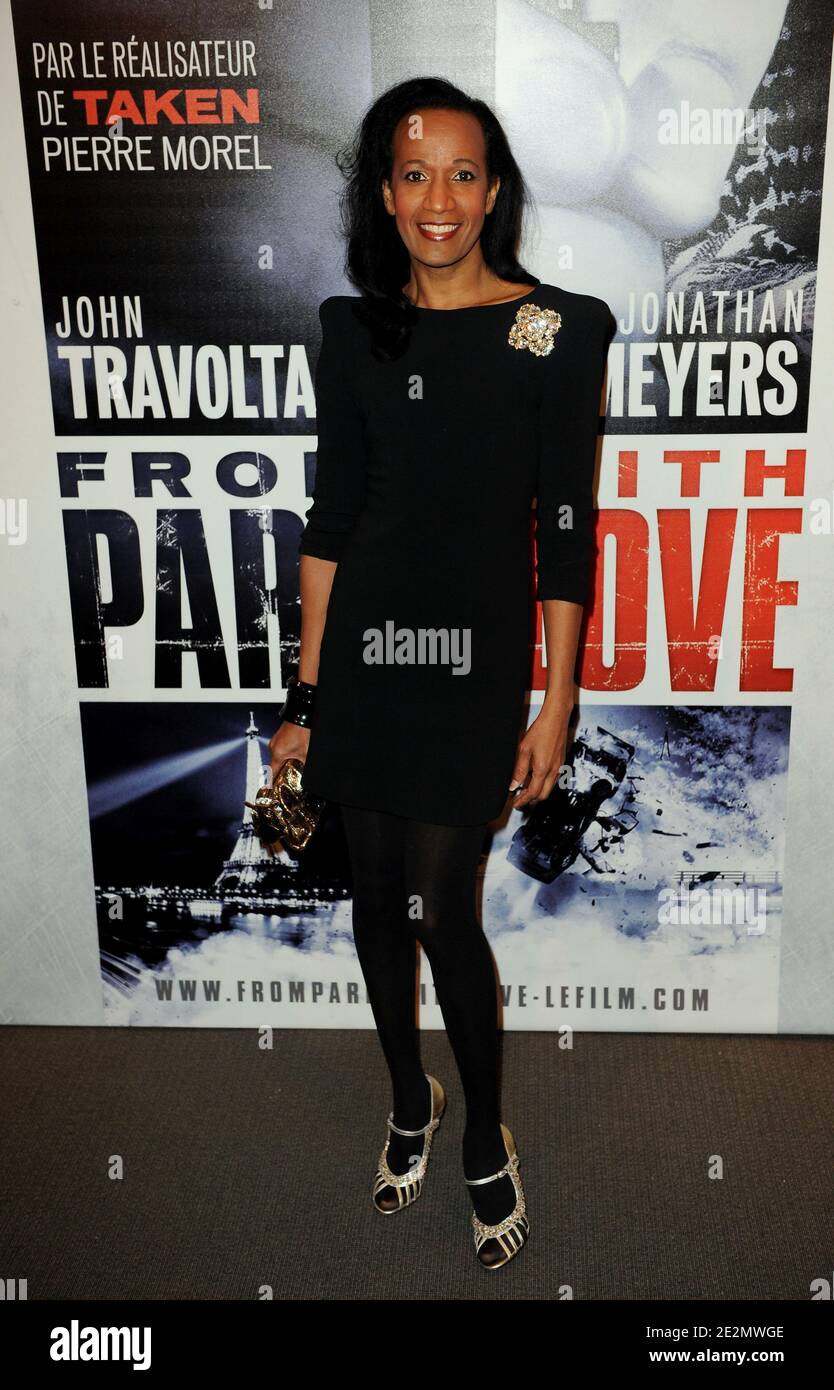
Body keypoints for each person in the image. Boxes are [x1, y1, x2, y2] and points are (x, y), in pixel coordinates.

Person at [270, 75, 615, 1271]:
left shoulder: (562, 330)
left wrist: (557, 697)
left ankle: (481, 1135)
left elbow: (565, 529)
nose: (439, 197)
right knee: (374, 907)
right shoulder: (354, 330)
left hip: (474, 669)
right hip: (363, 660)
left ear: (497, 189)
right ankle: (406, 1101)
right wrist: (304, 706)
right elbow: (330, 523)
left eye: (463, 172)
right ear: (383, 190)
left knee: (444, 914)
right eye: (414, 172)